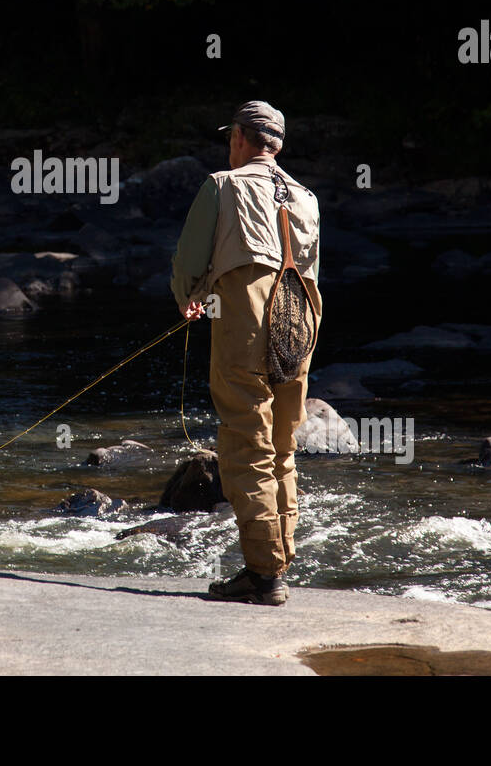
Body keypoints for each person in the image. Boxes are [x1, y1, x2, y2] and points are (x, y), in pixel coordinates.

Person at [170, 100, 322, 605]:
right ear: (276, 144)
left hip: (245, 320)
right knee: (283, 445)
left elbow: (189, 261)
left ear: (239, 138)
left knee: (245, 442)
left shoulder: (222, 185)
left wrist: (190, 297)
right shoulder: (307, 197)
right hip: (300, 322)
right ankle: (279, 561)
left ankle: (263, 574)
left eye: (229, 137)